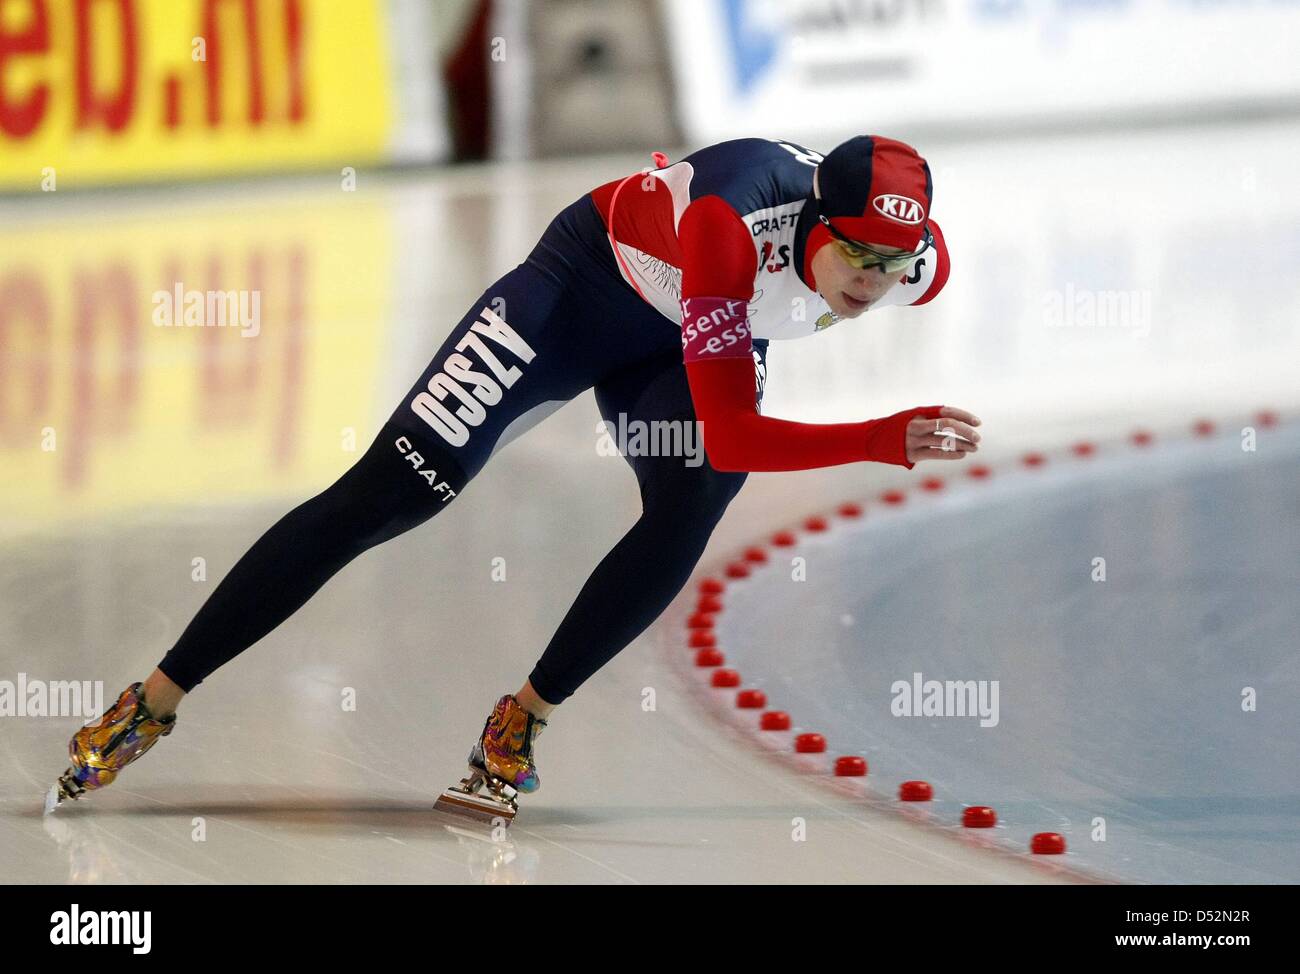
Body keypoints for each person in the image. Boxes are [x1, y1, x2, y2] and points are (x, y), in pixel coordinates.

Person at [48, 134, 981, 817]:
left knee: (692, 498)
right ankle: (153, 702)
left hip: (682, 339)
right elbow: (738, 431)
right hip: (579, 294)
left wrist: (888, 311)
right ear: (813, 222)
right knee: (394, 493)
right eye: (855, 255)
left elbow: (726, 440)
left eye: (894, 264)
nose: (871, 281)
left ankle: (521, 721)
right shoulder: (731, 225)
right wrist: (881, 436)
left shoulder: (911, 265)